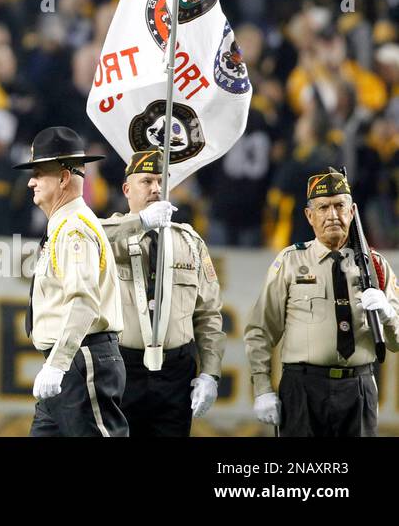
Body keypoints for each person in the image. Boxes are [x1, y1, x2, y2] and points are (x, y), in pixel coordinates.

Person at [245, 168, 399, 436]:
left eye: (339, 206)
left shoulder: (376, 266)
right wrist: (262, 388)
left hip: (359, 388)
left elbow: (396, 342)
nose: (332, 215)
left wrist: (388, 315)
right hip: (303, 388)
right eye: (323, 207)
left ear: (352, 212)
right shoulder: (291, 262)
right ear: (309, 216)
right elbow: (260, 331)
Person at [101, 149, 224, 436]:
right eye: (146, 181)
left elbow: (208, 315)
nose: (156, 188)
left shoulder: (190, 242)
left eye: (161, 181)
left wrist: (210, 372)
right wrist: (140, 223)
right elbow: (85, 237)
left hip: (175, 371)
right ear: (126, 189)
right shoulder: (109, 234)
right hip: (122, 367)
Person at [16, 126, 128, 437]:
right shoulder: (67, 223)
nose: (31, 181)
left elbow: (83, 301)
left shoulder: (73, 229)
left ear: (64, 178)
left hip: (80, 359)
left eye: (39, 173)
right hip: (71, 360)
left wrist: (59, 363)